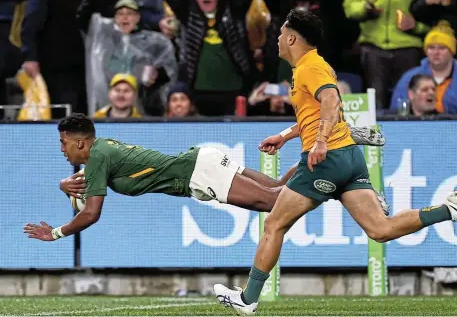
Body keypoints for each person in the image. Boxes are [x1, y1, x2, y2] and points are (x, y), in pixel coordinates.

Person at [212, 9, 457, 316]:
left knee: (274, 223)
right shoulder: (312, 66)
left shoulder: (309, 68)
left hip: (327, 158)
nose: (276, 39)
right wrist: (285, 135)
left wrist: (319, 142)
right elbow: (315, 114)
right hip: (348, 156)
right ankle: (449, 209)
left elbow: (331, 102)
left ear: (291, 38)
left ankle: (248, 298)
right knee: (380, 229)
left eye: (280, 34)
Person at [23, 113, 385, 242]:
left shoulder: (98, 156)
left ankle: (338, 167)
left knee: (277, 201)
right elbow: (85, 186)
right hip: (203, 161)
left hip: (200, 170)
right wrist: (62, 184)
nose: (61, 149)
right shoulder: (100, 152)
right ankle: (343, 174)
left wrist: (55, 233)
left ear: (81, 142)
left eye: (63, 143)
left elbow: (90, 213)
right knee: (278, 191)